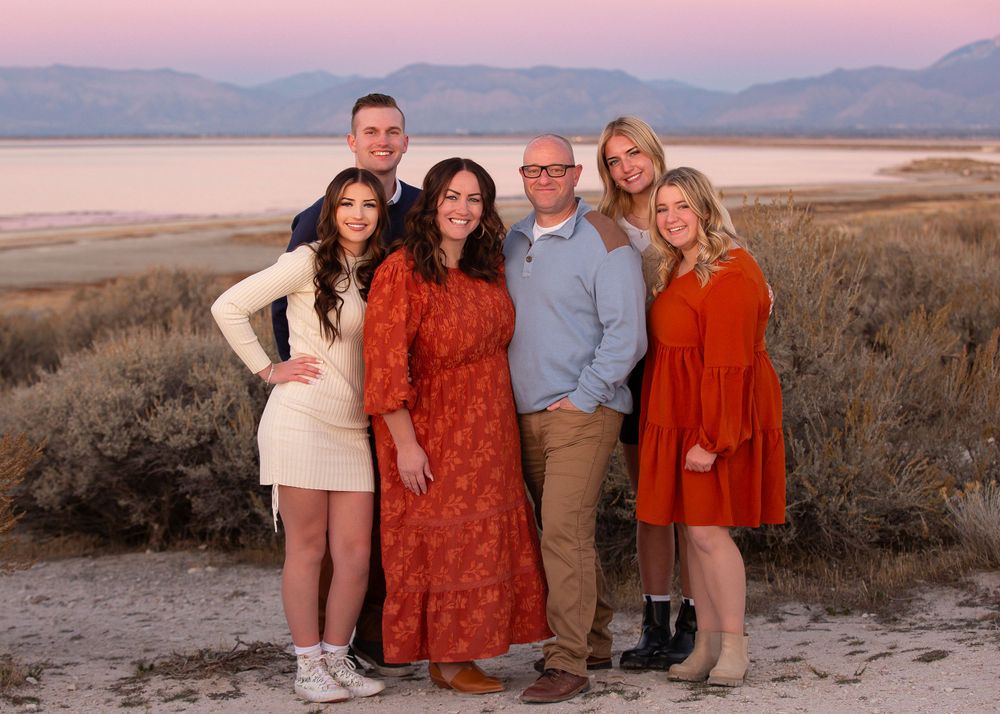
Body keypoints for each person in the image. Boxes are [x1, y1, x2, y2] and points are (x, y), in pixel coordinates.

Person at [363, 157, 551, 694]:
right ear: (432, 203)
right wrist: (406, 446)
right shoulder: (403, 271)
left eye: (474, 199)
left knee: (482, 541)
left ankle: (464, 653)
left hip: (490, 430)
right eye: (452, 197)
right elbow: (383, 368)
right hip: (431, 431)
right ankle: (446, 659)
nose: (463, 209)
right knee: (444, 547)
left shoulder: (485, 264)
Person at [211, 168, 389, 703]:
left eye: (369, 205)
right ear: (331, 211)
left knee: (355, 554)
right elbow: (229, 306)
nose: (358, 214)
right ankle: (307, 665)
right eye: (347, 204)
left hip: (353, 428)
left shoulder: (380, 269)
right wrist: (268, 369)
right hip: (302, 420)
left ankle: (338, 657)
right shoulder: (306, 260)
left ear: (380, 214)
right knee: (307, 550)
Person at [270, 93, 420, 677]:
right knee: (326, 543)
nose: (381, 140)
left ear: (405, 142)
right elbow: (285, 307)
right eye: (370, 132)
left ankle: (372, 642)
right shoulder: (317, 218)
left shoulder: (423, 210)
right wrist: (288, 371)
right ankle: (319, 654)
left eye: (392, 131)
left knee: (379, 533)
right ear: (351, 141)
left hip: (396, 400)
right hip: (328, 406)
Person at [505, 135, 646, 704]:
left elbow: (627, 335)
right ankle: (592, 637)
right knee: (562, 533)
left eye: (555, 168)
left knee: (563, 531)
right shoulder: (513, 240)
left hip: (584, 411)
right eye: (534, 169)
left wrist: (586, 395)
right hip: (525, 414)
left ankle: (566, 663)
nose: (545, 178)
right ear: (523, 175)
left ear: (575, 173)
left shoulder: (604, 239)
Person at [639, 167, 785, 687]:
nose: (672, 218)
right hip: (676, 415)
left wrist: (711, 439)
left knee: (706, 532)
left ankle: (734, 647)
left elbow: (731, 363)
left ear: (705, 209)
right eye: (662, 208)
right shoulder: (675, 265)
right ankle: (702, 645)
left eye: (682, 206)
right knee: (689, 529)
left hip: (711, 419)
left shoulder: (731, 270)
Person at [596, 116, 695, 670]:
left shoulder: (684, 206)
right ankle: (655, 625)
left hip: (685, 374)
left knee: (694, 505)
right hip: (635, 376)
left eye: (634, 152)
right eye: (614, 159)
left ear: (653, 151)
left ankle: (695, 621)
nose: (627, 165)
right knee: (652, 505)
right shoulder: (604, 223)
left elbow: (736, 272)